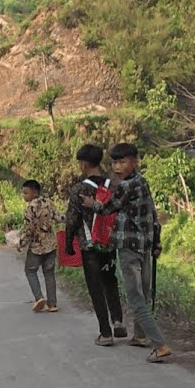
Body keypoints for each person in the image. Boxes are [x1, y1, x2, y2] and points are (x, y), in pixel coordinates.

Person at [82, 143, 173, 363]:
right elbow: (152, 215)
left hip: (128, 247)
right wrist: (157, 242)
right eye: (114, 162)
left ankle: (160, 345)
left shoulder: (125, 186)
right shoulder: (142, 182)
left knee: (135, 298)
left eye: (122, 162)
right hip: (145, 246)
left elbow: (108, 208)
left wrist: (92, 204)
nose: (117, 167)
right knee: (144, 293)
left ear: (134, 162)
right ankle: (141, 336)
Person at [63, 144, 127, 345]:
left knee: (95, 287)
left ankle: (105, 333)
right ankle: (118, 320)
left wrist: (68, 244)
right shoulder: (113, 185)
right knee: (110, 281)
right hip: (109, 243)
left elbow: (72, 219)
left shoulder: (79, 189)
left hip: (89, 245)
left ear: (83, 164)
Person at [19, 179, 60, 313]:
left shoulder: (30, 208)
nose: (24, 196)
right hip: (51, 244)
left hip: (37, 246)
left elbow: (28, 229)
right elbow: (58, 217)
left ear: (35, 193)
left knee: (30, 270)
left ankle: (39, 298)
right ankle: (52, 304)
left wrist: (22, 243)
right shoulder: (48, 203)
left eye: (26, 193)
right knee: (49, 273)